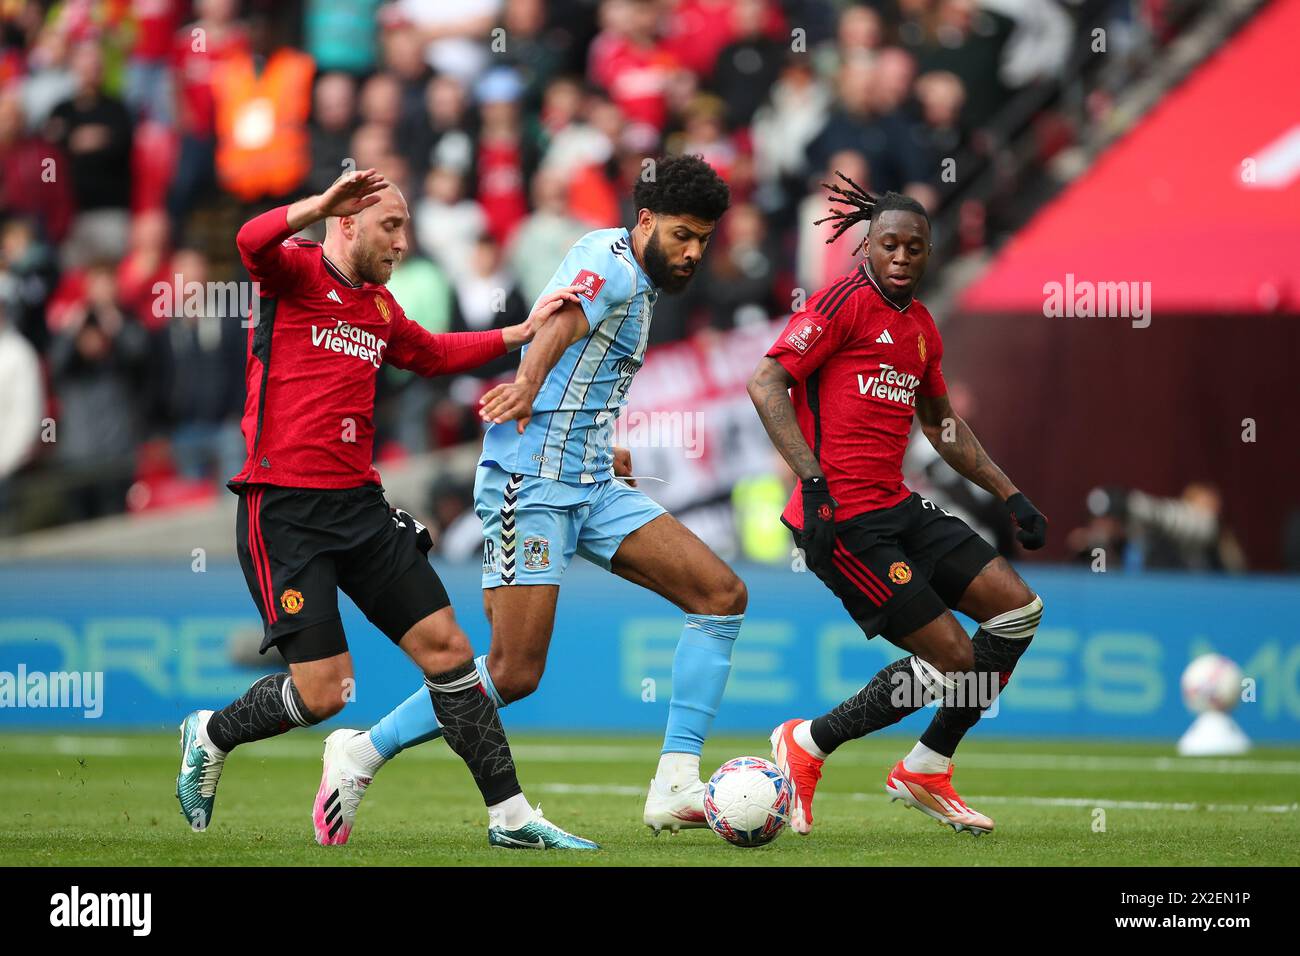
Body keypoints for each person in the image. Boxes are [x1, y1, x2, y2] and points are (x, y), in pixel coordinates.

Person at [312, 154, 747, 845]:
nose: (692, 252)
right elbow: (561, 323)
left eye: (702, 239)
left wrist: (599, 441)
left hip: (591, 482)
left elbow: (586, 363)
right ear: (644, 222)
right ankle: (360, 752)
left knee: (721, 595)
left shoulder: (642, 277)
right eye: (681, 235)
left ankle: (675, 783)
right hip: (530, 486)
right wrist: (526, 385)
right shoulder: (605, 259)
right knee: (515, 673)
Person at [174, 169, 590, 853]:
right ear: (346, 222)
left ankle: (511, 818)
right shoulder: (295, 274)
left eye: (405, 228)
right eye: (390, 226)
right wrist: (314, 205)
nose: (402, 242)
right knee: (326, 693)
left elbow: (430, 354)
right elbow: (248, 241)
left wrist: (521, 332)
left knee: (451, 653)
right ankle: (211, 734)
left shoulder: (380, 308)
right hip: (284, 510)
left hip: (362, 509)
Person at [747, 174, 1048, 837]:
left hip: (898, 506)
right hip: (843, 521)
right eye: (890, 245)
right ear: (867, 248)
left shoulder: (920, 326)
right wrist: (812, 480)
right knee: (954, 661)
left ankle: (927, 766)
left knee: (1017, 612)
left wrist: (1011, 494)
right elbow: (766, 381)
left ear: (928, 251)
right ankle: (808, 743)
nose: (903, 257)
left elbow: (942, 426)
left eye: (915, 247)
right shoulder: (839, 305)